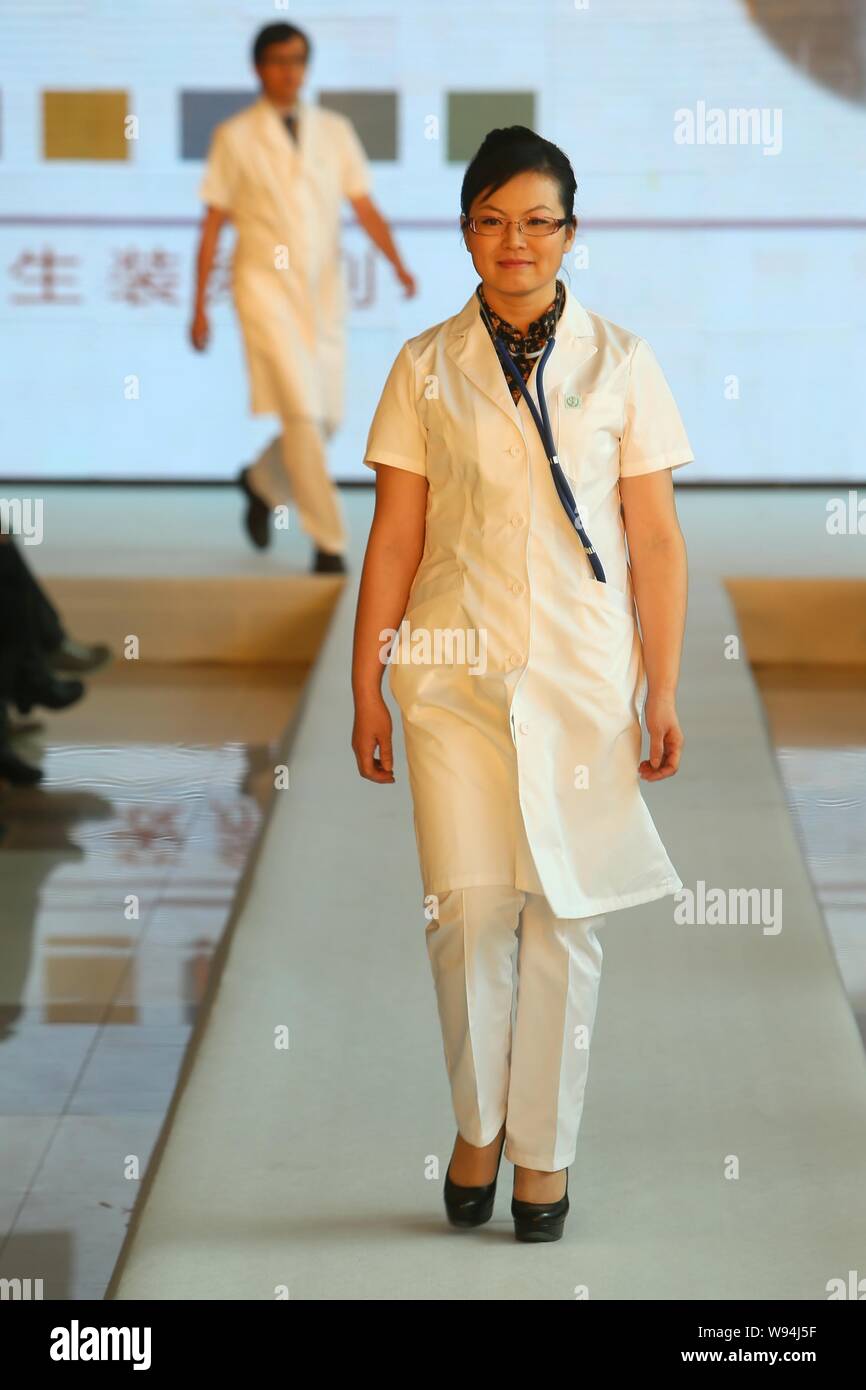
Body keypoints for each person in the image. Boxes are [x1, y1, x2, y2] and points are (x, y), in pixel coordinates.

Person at [351, 126, 695, 1243]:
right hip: (448, 671)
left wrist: (663, 689)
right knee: (465, 909)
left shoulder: (623, 361)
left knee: (562, 914)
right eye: (492, 219)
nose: (515, 241)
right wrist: (367, 685)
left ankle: (542, 1151)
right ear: (463, 232)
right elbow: (394, 539)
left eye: (537, 220)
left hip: (584, 673)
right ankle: (477, 1123)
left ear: (569, 232)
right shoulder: (419, 365)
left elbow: (655, 537)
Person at [191, 20, 417, 571]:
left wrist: (399, 265)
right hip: (263, 290)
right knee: (301, 415)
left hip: (322, 294)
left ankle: (262, 481)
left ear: (306, 67)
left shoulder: (334, 131)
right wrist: (197, 303)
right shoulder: (234, 136)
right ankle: (330, 543)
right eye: (276, 60)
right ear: (258, 67)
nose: (287, 71)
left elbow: (363, 206)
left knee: (328, 418)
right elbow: (214, 221)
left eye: (296, 60)